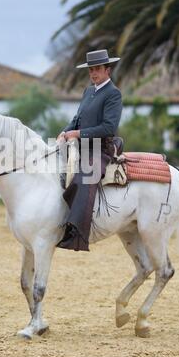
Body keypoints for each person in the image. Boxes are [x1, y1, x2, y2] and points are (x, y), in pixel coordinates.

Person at [56, 49, 123, 251]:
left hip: (101, 148)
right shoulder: (88, 91)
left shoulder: (113, 94)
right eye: (91, 70)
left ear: (107, 70)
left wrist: (77, 134)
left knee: (84, 176)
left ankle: (76, 230)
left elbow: (108, 128)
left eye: (97, 69)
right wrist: (65, 132)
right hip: (82, 146)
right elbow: (77, 119)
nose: (93, 73)